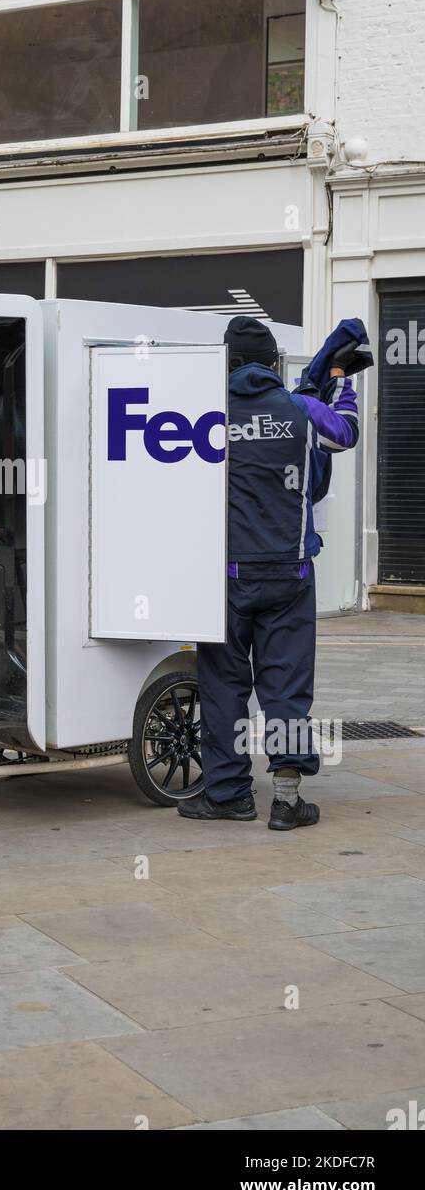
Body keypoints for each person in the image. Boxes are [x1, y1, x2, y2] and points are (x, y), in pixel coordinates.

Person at [180, 314, 360, 830]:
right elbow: (345, 433)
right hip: (289, 573)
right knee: (285, 688)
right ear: (273, 363)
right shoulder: (302, 409)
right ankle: (285, 800)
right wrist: (342, 384)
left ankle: (229, 795)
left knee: (223, 686)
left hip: (227, 576)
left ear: (227, 361)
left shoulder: (206, 416)